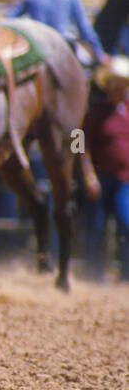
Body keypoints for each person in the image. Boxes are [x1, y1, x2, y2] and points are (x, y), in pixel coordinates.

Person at [81, 56, 129, 282]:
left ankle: (125, 273)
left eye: (121, 83)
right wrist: (87, 173)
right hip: (100, 178)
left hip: (125, 180)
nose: (117, 88)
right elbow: (78, 138)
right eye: (113, 83)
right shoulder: (95, 113)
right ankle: (93, 274)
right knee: (95, 226)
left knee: (126, 222)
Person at [9, 0, 107, 67]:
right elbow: (84, 27)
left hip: (37, 46)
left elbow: (10, 19)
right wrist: (99, 53)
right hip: (61, 45)